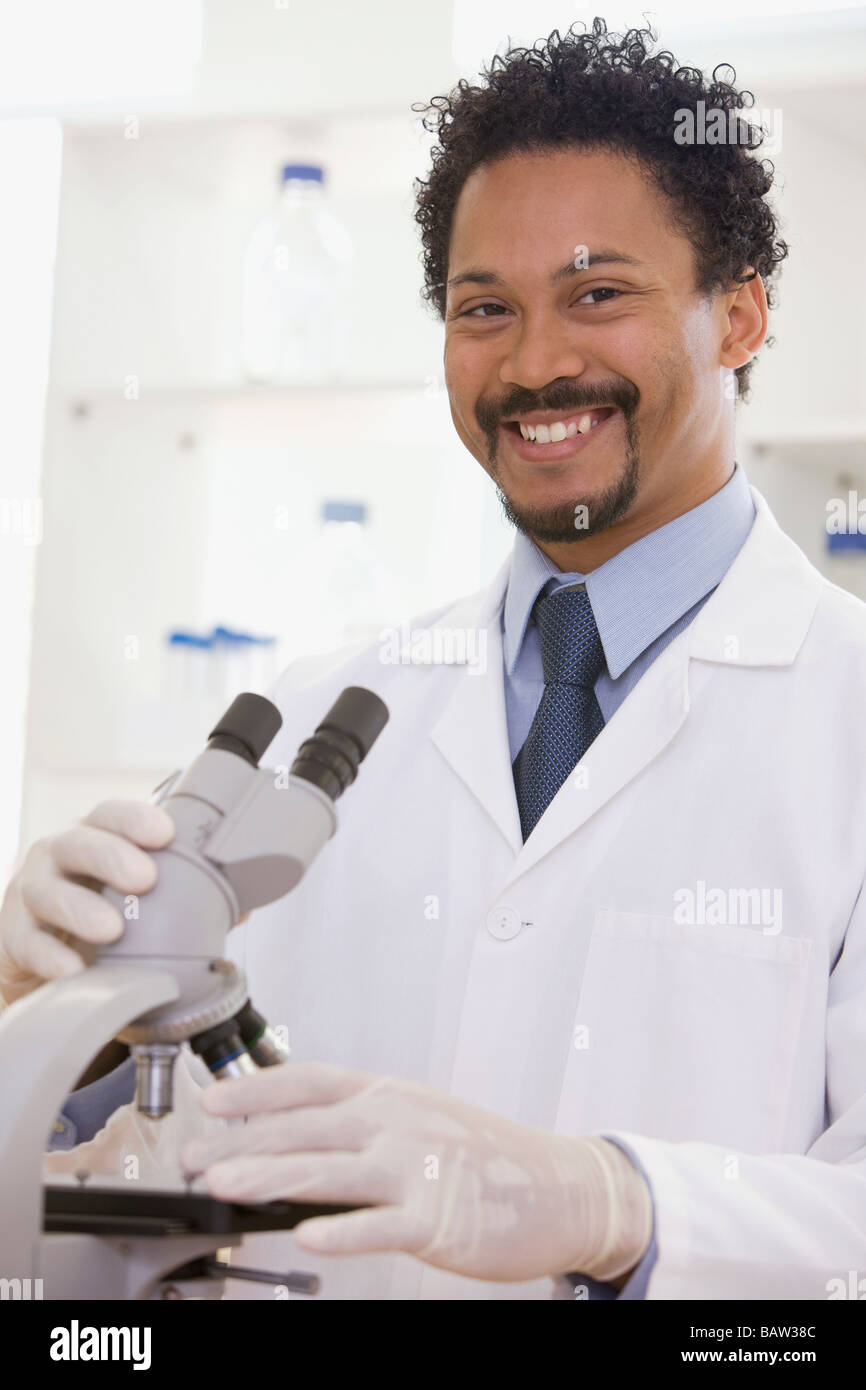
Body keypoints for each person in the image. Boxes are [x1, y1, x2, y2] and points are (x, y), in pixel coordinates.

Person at [2, 19, 865, 1301]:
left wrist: (609, 1201)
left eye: (597, 293)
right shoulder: (312, 718)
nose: (533, 364)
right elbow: (83, 1174)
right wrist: (34, 1010)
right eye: (482, 310)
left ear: (736, 313)